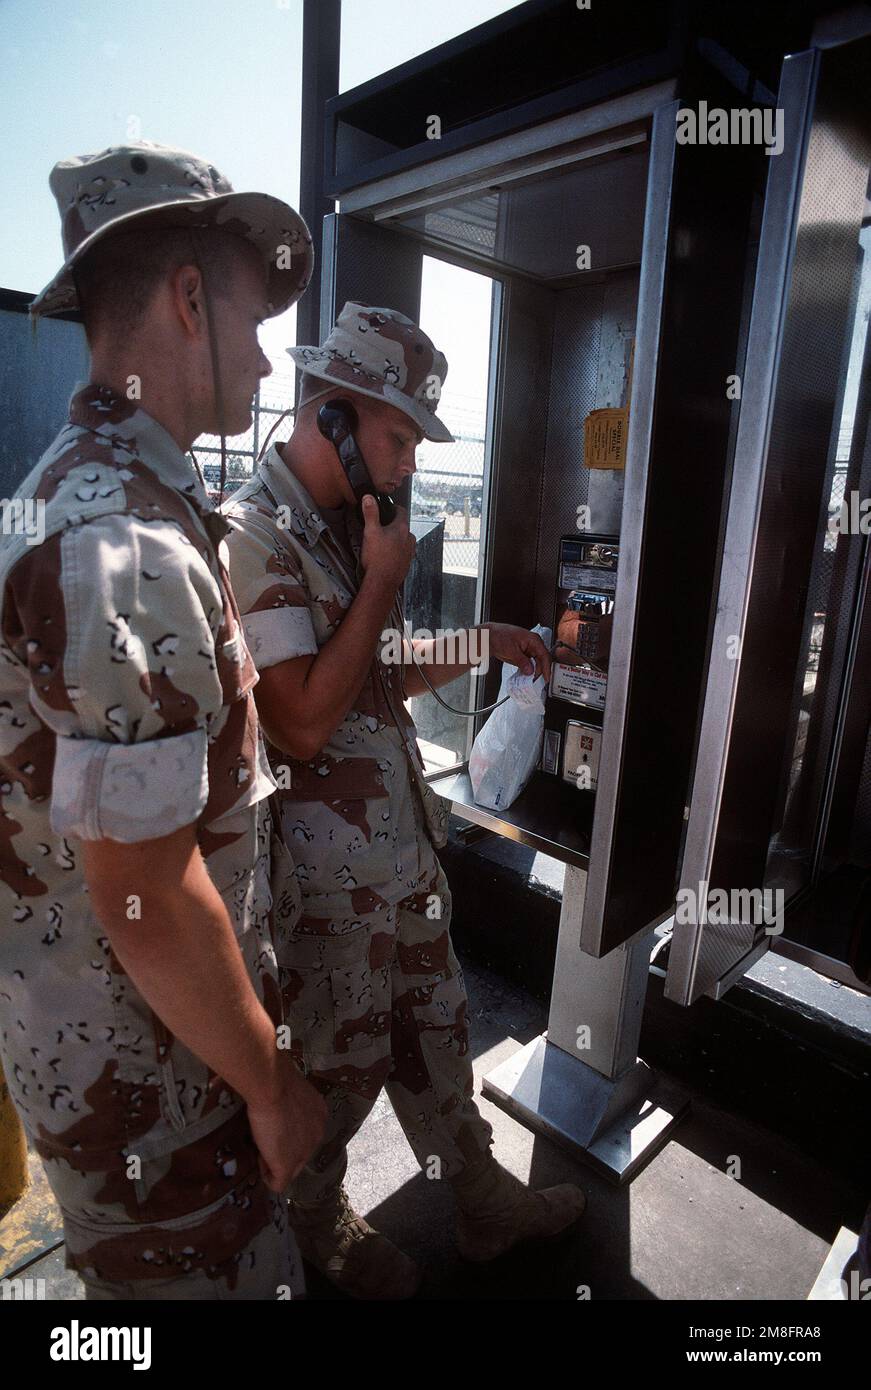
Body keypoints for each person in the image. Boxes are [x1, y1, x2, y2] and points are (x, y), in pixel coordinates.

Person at [0, 141, 327, 1300]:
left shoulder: (94, 489)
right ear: (189, 300)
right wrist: (274, 1085)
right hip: (155, 1086)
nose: (266, 352)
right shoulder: (124, 541)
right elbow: (141, 897)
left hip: (128, 1058)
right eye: (251, 315)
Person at [222, 302, 587, 1299]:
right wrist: (383, 583)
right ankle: (320, 1229)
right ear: (333, 414)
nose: (413, 463)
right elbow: (298, 718)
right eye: (400, 437)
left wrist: (485, 639)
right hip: (329, 898)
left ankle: (479, 1199)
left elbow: (372, 671)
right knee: (335, 1077)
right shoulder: (257, 538)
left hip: (399, 863)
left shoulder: (346, 531)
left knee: (438, 1035)